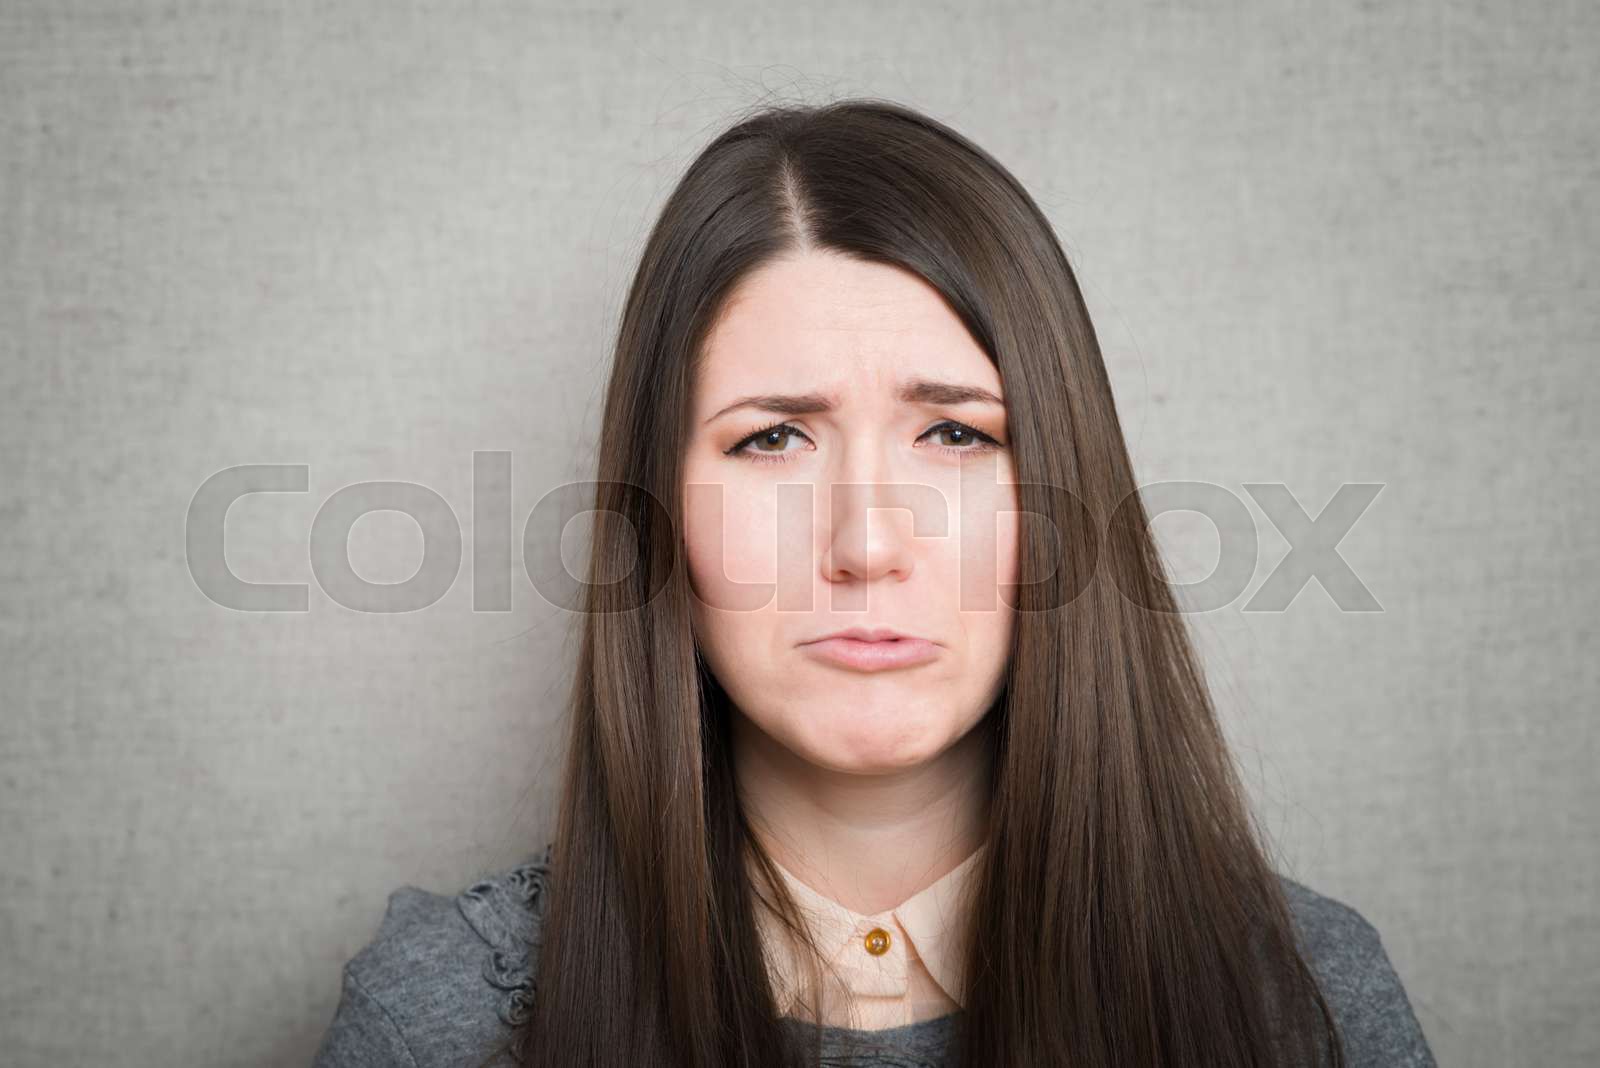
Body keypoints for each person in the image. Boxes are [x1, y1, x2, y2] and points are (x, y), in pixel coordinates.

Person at [311, 98, 1436, 1067]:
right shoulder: (446, 1019)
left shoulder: (1301, 1000)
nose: (865, 542)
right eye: (771, 441)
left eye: (953, 433)